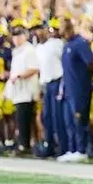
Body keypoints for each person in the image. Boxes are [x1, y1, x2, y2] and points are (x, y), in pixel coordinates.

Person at [58, 19, 93, 163]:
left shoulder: (80, 43)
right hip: (69, 89)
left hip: (79, 89)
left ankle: (82, 149)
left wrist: (84, 80)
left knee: (79, 120)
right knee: (69, 121)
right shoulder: (67, 45)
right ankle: (72, 149)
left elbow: (91, 63)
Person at [7, 24, 41, 157]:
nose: (16, 39)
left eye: (19, 35)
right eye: (14, 36)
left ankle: (26, 145)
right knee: (20, 120)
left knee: (26, 120)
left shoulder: (29, 50)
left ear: (25, 36)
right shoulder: (17, 51)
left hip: (27, 91)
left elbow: (34, 68)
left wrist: (20, 76)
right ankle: (23, 144)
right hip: (19, 91)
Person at [36, 19, 65, 159]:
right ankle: (50, 144)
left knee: (57, 116)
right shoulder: (40, 47)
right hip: (46, 84)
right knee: (47, 117)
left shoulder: (58, 44)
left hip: (57, 81)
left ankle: (62, 146)